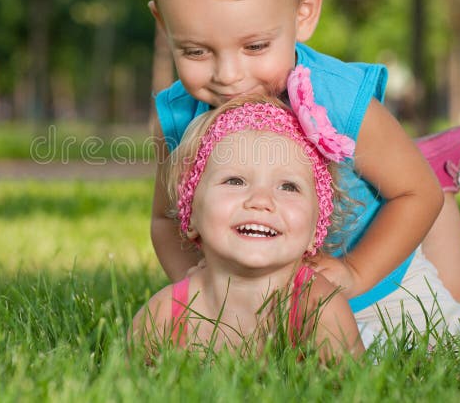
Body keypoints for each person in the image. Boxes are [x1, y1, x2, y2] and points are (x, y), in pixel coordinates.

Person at [148, 0, 460, 323]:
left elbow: (415, 194)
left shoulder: (336, 97)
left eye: (254, 45)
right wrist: (208, 297)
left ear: (303, 14)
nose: (228, 75)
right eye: (196, 51)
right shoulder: (177, 117)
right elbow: (165, 220)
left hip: (375, 270)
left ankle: (430, 165)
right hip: (273, 287)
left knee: (450, 331)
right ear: (164, 25)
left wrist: (356, 272)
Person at [131, 97, 365, 360]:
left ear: (316, 228)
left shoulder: (319, 311)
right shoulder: (165, 314)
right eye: (235, 180)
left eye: (288, 186)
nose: (260, 201)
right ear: (192, 210)